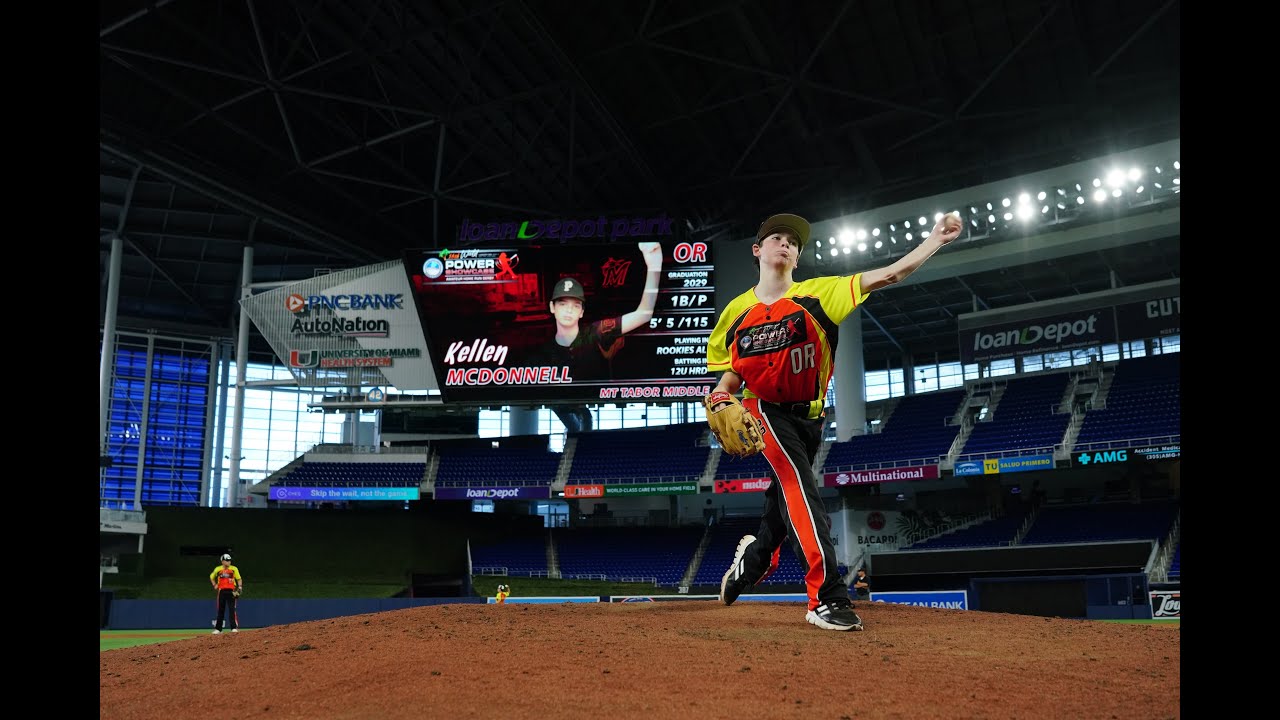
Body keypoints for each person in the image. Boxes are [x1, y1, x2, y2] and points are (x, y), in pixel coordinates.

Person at [711, 211, 962, 631]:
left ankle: (750, 564)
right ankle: (825, 597)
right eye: (776, 237)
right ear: (758, 251)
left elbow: (891, 275)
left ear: (798, 257)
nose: (786, 243)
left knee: (782, 509)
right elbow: (732, 373)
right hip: (762, 410)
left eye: (793, 241)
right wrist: (721, 395)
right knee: (801, 489)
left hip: (810, 418)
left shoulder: (820, 294)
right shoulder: (735, 312)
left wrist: (935, 238)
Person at [529, 242, 664, 381]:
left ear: (582, 311)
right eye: (562, 304)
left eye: (575, 305)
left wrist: (654, 265)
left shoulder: (594, 332)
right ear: (552, 307)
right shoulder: (541, 353)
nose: (569, 310)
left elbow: (644, 314)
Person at [210, 553, 244, 634]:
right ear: (222, 561)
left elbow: (239, 579)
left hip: (231, 591)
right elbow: (211, 576)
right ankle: (218, 629)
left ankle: (233, 628)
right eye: (227, 560)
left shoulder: (234, 569)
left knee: (232, 610)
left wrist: (239, 587)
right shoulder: (218, 569)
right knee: (220, 610)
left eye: (229, 560)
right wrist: (214, 584)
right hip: (221, 591)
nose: (229, 562)